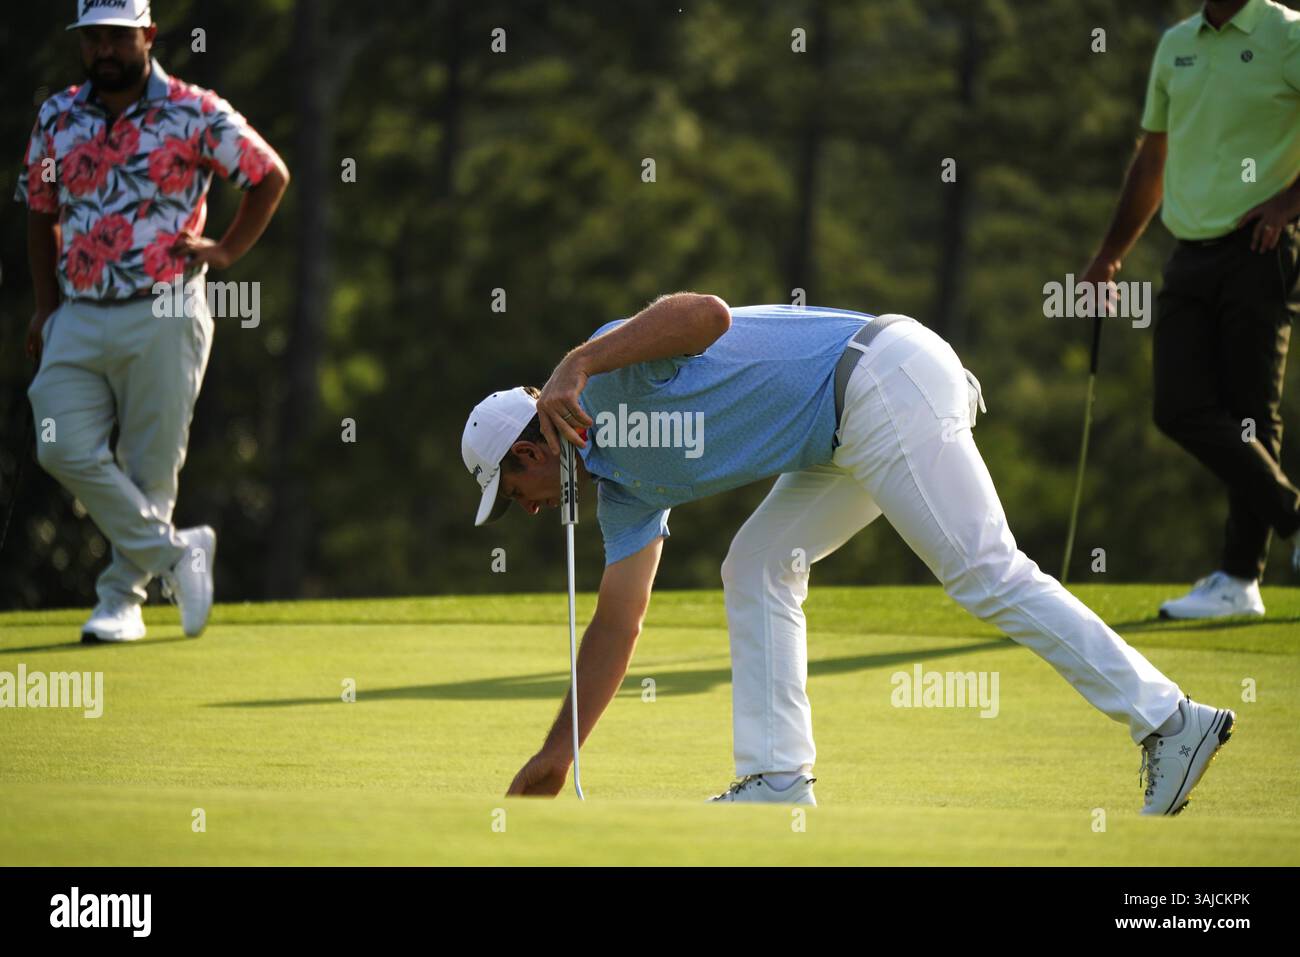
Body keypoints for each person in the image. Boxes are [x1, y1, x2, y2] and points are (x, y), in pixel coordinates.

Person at [462, 293, 1235, 814]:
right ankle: (776, 777)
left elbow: (708, 315)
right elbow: (618, 623)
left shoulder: (606, 371)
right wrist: (557, 751)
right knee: (757, 563)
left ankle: (1169, 718)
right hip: (842, 429)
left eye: (514, 490)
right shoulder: (621, 486)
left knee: (983, 570)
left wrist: (580, 360)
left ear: (531, 449)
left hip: (880, 376)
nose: (524, 510)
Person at [16, 0, 290, 641]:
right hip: (78, 312)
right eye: (92, 39)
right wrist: (45, 307)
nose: (102, 50)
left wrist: (225, 251)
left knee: (149, 465)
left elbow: (267, 175)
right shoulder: (57, 116)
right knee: (57, 443)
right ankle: (175, 553)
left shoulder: (194, 110)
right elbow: (40, 209)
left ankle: (121, 600)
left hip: (166, 308)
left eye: (116, 36)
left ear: (148, 35)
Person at [1081, 0, 1300, 620]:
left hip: (1263, 247)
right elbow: (1153, 160)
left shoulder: (1287, 35)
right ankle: (1290, 520)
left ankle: (1238, 580)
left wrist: (1289, 204)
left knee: (1253, 413)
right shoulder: (1178, 43)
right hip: (1190, 252)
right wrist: (1108, 255)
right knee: (1178, 407)